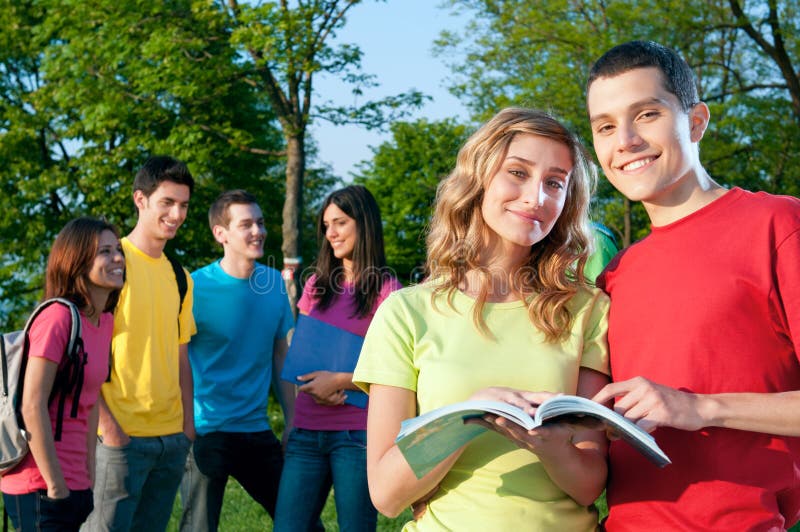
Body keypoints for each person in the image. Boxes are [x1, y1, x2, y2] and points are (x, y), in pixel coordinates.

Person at [352, 108, 611, 530]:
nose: (536, 198)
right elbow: (386, 495)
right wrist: (468, 415)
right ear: (478, 179)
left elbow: (588, 486)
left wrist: (550, 446)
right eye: (518, 172)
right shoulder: (405, 312)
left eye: (554, 183)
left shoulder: (588, 309)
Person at [585, 40, 800, 530]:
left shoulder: (778, 224)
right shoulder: (615, 274)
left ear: (696, 121)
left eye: (646, 114)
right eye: (605, 126)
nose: (625, 140)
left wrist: (699, 407)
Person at [273, 185, 402, 532]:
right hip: (305, 432)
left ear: (364, 224)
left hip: (356, 436)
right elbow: (301, 356)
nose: (331, 233)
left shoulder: (388, 291)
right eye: (327, 224)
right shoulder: (315, 284)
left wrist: (341, 381)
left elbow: (397, 373)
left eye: (340, 223)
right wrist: (304, 399)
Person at [85, 156, 197, 532]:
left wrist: (187, 429)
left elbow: (181, 356)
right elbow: (79, 351)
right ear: (140, 200)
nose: (177, 213)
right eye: (167, 202)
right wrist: (110, 428)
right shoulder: (109, 265)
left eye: (183, 205)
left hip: (170, 441)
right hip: (119, 438)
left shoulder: (181, 277)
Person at [178, 190, 295, 531]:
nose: (257, 231)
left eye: (259, 223)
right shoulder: (194, 288)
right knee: (198, 528)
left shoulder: (272, 283)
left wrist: (292, 421)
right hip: (205, 431)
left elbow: (281, 356)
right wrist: (185, 425)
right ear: (221, 234)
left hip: (256, 429)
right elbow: (177, 359)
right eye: (246, 224)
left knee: (300, 521)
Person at [1, 217, 124, 531]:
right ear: (77, 261)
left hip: (76, 483)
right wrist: (57, 486)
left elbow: (90, 399)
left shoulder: (103, 321)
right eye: (105, 252)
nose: (118, 258)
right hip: (39, 484)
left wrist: (89, 474)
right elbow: (32, 404)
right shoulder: (57, 318)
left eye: (118, 250)